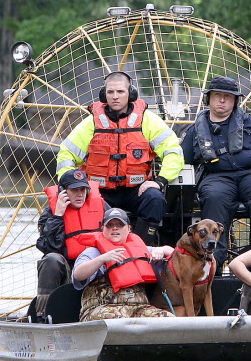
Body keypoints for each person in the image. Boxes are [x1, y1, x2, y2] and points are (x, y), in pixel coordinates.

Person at [55, 71, 184, 246]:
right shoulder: (91, 123)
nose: (115, 97)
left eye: (120, 92)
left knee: (156, 199)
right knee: (83, 205)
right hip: (100, 191)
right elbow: (66, 155)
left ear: (130, 93)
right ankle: (96, 250)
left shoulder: (147, 120)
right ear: (104, 94)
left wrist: (160, 181)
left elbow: (173, 151)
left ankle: (140, 248)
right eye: (110, 92)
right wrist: (74, 185)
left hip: (136, 190)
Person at [181, 75, 251, 265]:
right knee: (214, 197)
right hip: (216, 176)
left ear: (235, 100)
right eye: (218, 95)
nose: (222, 100)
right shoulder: (195, 130)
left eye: (228, 96)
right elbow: (182, 160)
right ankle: (213, 264)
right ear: (210, 98)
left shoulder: (250, 122)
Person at [71, 208, 176, 321]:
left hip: (139, 308)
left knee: (169, 320)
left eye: (120, 225)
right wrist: (102, 259)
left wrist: (162, 250)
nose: (115, 228)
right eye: (109, 225)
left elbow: (176, 254)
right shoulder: (92, 252)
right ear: (102, 229)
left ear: (129, 229)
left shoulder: (142, 250)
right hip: (102, 308)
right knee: (120, 321)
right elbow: (78, 275)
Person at [34, 169, 108, 315]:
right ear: (63, 191)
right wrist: (58, 215)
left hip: (96, 268)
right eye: (74, 190)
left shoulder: (103, 207)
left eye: (83, 189)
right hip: (69, 272)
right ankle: (43, 314)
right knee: (51, 260)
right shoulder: (50, 214)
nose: (80, 194)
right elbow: (48, 247)